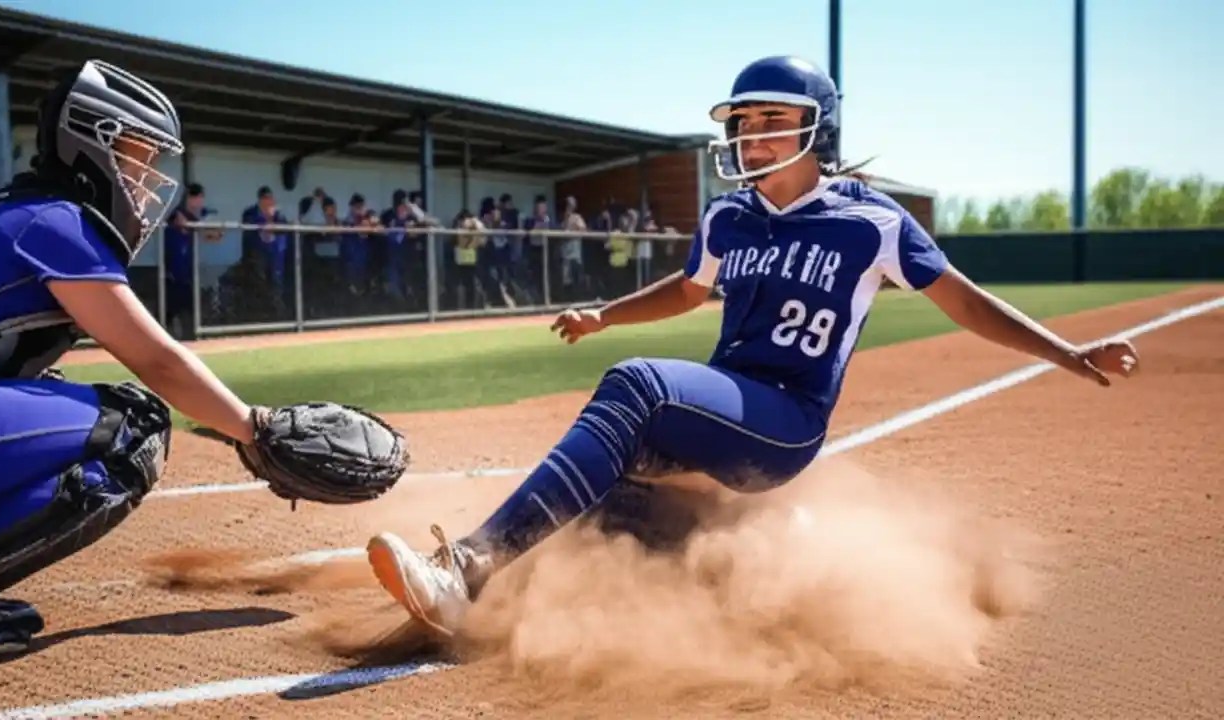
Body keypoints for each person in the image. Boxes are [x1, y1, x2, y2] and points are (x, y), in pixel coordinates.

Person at [365, 55, 1141, 638]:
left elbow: (963, 300)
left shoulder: (869, 222)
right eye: (744, 122)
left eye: (772, 120)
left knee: (636, 387)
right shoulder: (727, 218)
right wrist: (605, 313)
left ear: (818, 130)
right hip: (726, 407)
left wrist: (1070, 353)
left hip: (786, 422)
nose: (750, 134)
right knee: (605, 489)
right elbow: (686, 289)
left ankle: (466, 569)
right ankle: (730, 542)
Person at [0, 60, 260, 656]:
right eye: (137, 157)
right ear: (90, 146)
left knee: (56, 398)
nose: (147, 179)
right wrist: (255, 430)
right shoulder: (55, 221)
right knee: (130, 429)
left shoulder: (32, 209)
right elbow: (157, 362)